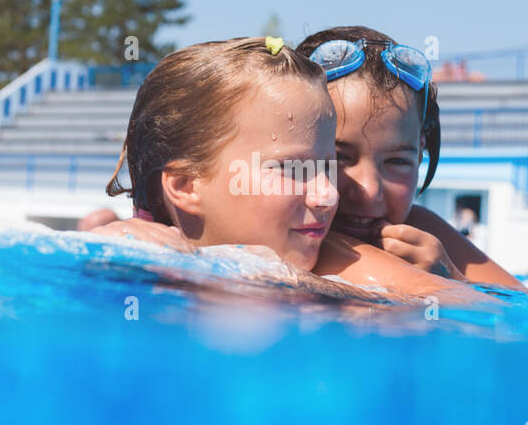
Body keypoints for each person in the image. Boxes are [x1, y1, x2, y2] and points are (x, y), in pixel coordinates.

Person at [90, 36, 488, 301]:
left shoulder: (337, 257)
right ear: (185, 185)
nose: (332, 192)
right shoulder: (125, 246)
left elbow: (490, 315)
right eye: (293, 169)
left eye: (326, 166)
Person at [295, 26, 523, 288]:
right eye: (338, 157)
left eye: (397, 161)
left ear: (421, 152)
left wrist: (451, 276)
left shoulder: (423, 231)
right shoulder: (271, 239)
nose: (369, 190)